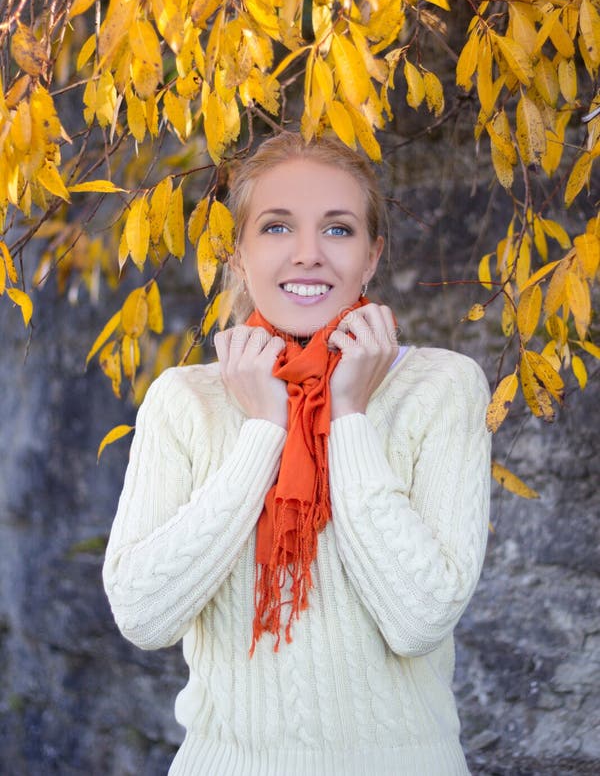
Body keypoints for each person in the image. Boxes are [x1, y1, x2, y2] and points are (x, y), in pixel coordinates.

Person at [102, 132, 492, 776]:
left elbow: (417, 621)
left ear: (372, 257)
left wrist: (349, 417)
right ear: (238, 253)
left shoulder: (442, 388)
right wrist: (262, 432)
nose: (308, 254)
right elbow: (145, 617)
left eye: (338, 230)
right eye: (278, 226)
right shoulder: (185, 400)